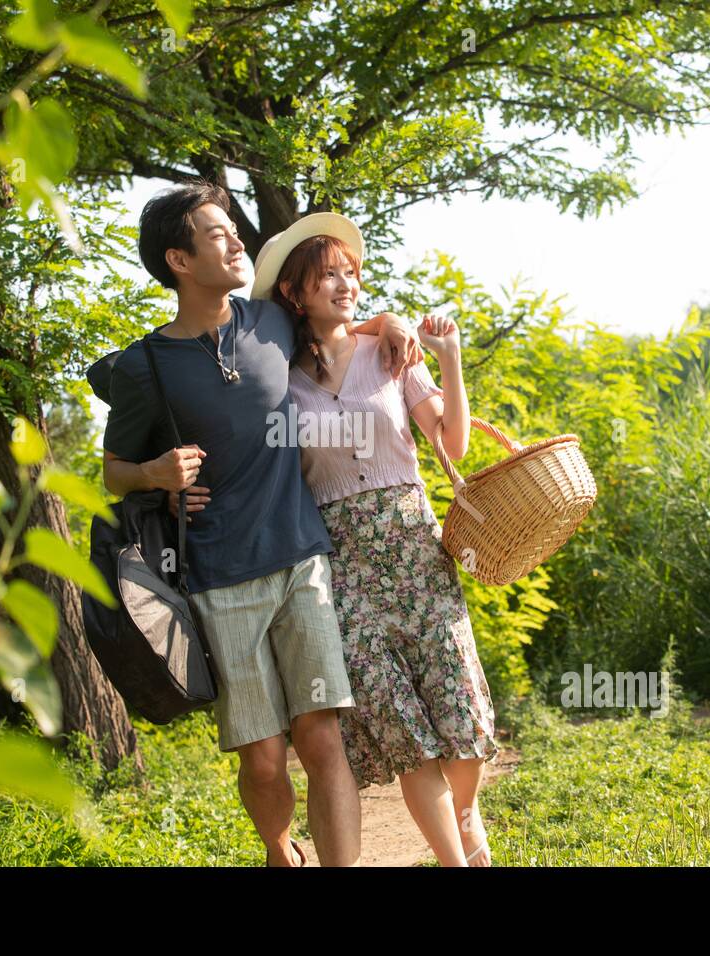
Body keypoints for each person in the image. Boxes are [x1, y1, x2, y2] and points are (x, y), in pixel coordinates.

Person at [99, 182, 422, 867]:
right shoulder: (144, 365)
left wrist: (390, 320)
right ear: (179, 260)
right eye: (217, 234)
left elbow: (338, 314)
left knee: (322, 736)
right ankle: (279, 846)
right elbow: (114, 470)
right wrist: (155, 476)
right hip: (220, 577)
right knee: (267, 759)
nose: (236, 242)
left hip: (303, 557)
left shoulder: (271, 322)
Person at [253, 212, 500, 866]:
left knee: (459, 712)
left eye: (351, 274)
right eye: (327, 275)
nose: (345, 285)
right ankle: (458, 861)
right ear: (293, 293)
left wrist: (447, 358)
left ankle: (468, 816)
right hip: (348, 570)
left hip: (416, 547)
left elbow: (452, 441)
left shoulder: (390, 352)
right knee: (403, 730)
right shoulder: (280, 382)